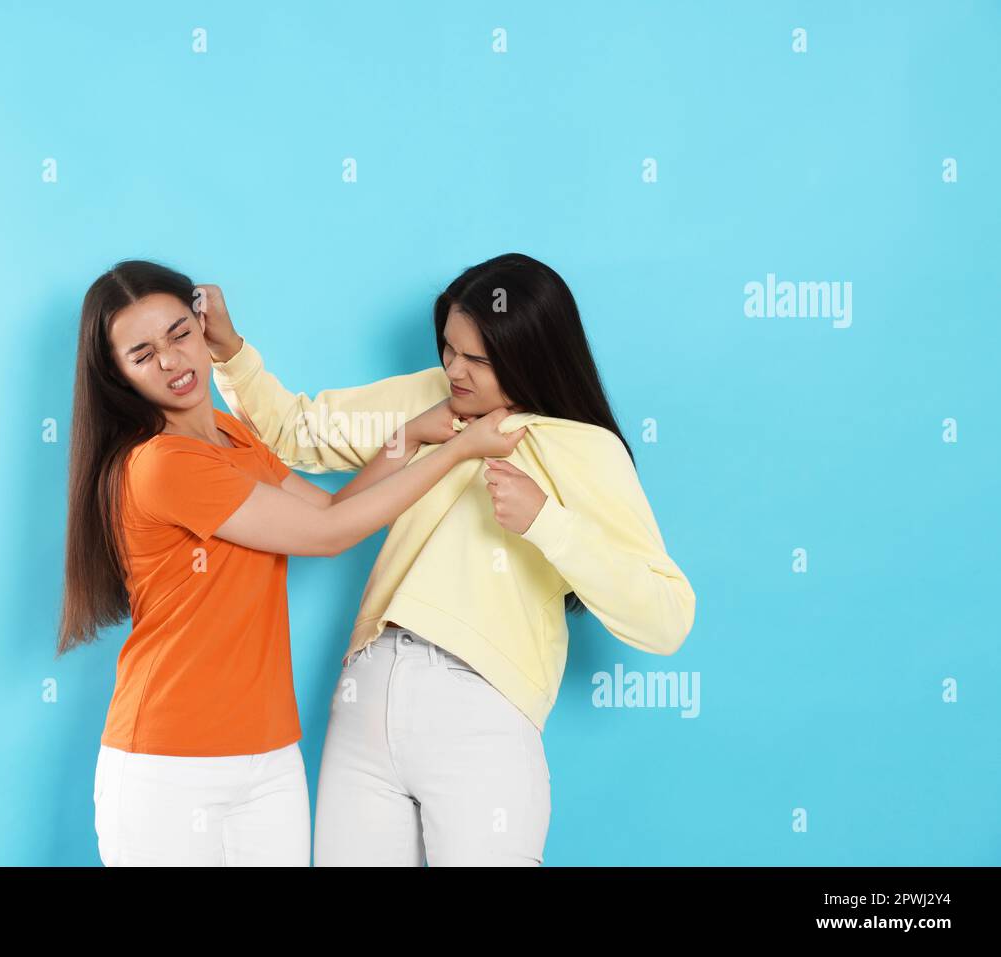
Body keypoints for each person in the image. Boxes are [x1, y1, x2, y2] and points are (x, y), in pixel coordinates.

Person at [199, 252, 698, 865]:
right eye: (448, 349)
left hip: (482, 707)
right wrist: (230, 351)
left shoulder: (583, 447)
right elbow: (297, 432)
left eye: (477, 360)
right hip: (367, 691)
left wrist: (548, 523)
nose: (454, 371)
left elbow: (667, 616)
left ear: (530, 355)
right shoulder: (435, 401)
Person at [55, 259, 524, 866]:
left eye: (179, 333)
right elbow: (328, 535)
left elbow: (333, 509)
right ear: (117, 374)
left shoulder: (231, 437)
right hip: (168, 764)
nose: (172, 361)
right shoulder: (163, 464)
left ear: (201, 328)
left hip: (270, 756)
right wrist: (461, 447)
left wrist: (408, 439)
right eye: (142, 354)